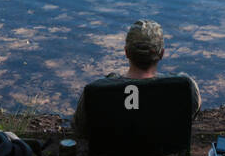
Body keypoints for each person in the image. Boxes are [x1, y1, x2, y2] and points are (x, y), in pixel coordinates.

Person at [72, 19, 201, 138]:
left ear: (126, 52)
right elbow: (190, 115)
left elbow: (79, 129)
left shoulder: (96, 90)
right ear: (162, 53)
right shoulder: (184, 87)